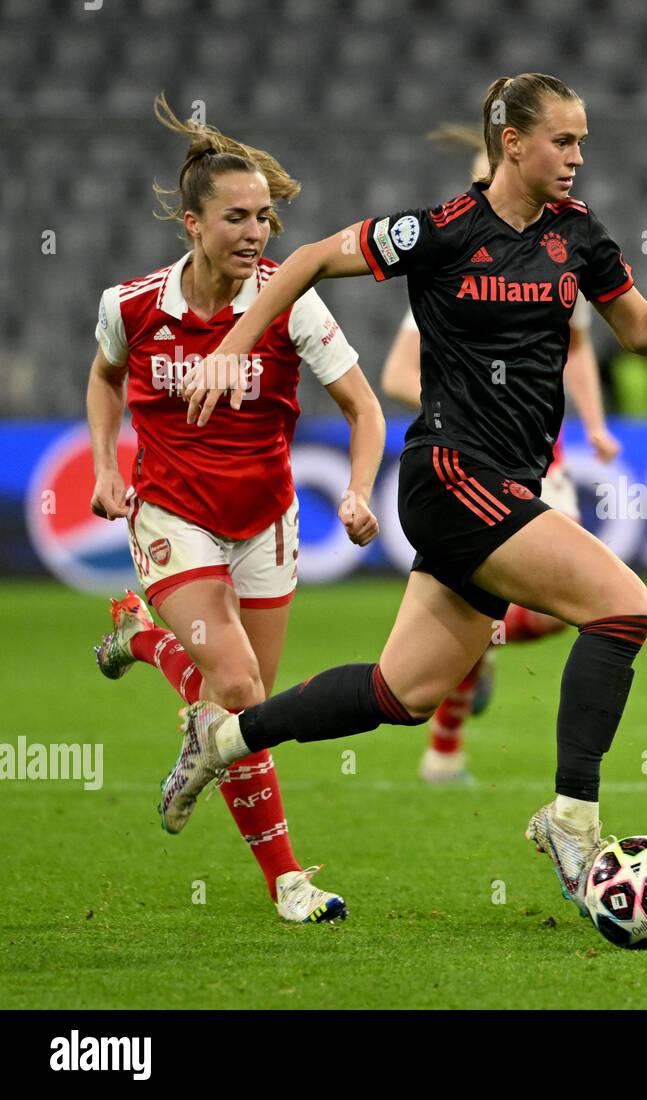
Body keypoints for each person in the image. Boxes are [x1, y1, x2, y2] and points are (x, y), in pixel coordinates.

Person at [154, 73, 647, 917]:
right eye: (563, 141)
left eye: (582, 143)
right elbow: (312, 258)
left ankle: (225, 736)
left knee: (404, 693)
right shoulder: (437, 231)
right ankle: (573, 818)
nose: (577, 157)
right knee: (624, 607)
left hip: (505, 485)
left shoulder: (581, 236)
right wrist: (232, 347)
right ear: (512, 144)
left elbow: (638, 326)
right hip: (452, 474)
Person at [87, 96, 386, 923]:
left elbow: (366, 411)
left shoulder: (292, 302)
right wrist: (109, 467)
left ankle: (142, 640)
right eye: (237, 218)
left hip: (267, 522)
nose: (256, 233)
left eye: (265, 217)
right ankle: (289, 883)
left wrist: (358, 490)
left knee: (244, 713)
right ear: (192, 223)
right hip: (173, 518)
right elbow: (105, 377)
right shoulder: (136, 305)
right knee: (235, 681)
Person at [380, 126, 621, 784]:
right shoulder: (452, 268)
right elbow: (399, 373)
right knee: (590, 605)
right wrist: (459, 398)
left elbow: (578, 354)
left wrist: (596, 426)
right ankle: (447, 747)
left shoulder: (563, 254)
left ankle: (470, 660)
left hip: (547, 461)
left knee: (548, 618)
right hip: (471, 463)